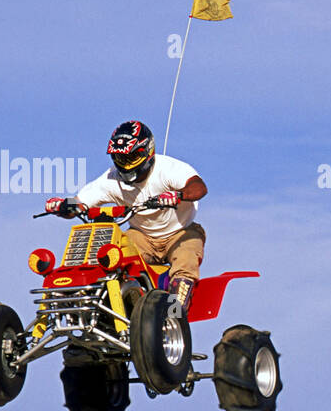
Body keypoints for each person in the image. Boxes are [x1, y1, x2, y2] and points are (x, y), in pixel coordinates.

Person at [44, 120, 208, 312]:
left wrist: (178, 195)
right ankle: (121, 303)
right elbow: (81, 202)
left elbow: (199, 187)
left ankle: (176, 311)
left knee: (186, 257)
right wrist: (63, 205)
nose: (127, 164)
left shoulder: (168, 169)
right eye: (121, 158)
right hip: (141, 236)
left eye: (132, 157)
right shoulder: (111, 179)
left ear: (148, 151)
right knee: (113, 252)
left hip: (181, 232)